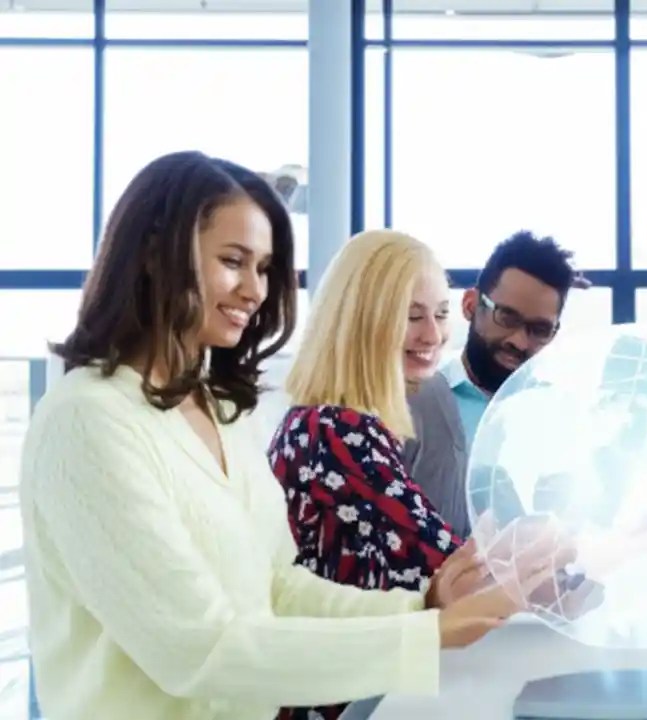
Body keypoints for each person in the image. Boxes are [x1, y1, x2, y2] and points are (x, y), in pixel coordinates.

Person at [18, 151, 533, 720]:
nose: (254, 291)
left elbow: (277, 589)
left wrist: (422, 605)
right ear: (151, 254)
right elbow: (201, 648)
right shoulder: (87, 422)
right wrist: (428, 635)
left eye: (263, 268)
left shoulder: (220, 410)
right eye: (233, 261)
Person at [268, 229, 483, 720]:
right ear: (364, 321)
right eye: (412, 317)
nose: (433, 335)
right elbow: (454, 575)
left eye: (441, 314)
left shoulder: (315, 422)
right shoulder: (340, 433)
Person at [403, 230, 579, 538]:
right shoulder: (415, 399)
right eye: (507, 318)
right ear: (470, 305)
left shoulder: (560, 417)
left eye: (539, 329)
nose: (519, 342)